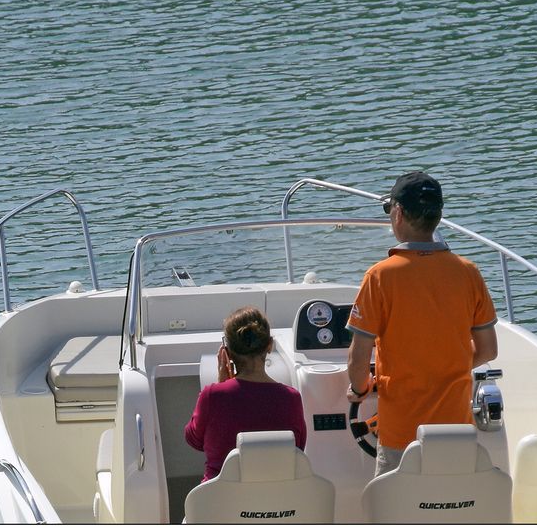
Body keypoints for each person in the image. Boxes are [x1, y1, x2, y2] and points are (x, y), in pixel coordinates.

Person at [345, 171, 499, 476]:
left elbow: (358, 357)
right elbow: (488, 349)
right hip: (457, 428)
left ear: (399, 212)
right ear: (438, 216)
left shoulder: (380, 277)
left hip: (401, 432)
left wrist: (361, 389)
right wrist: (445, 362)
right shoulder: (469, 273)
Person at [184, 306, 307, 482]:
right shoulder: (292, 398)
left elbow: (194, 440)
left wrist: (222, 386)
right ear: (270, 345)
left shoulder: (212, 396)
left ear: (227, 351)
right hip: (276, 503)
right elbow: (297, 448)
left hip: (219, 502)